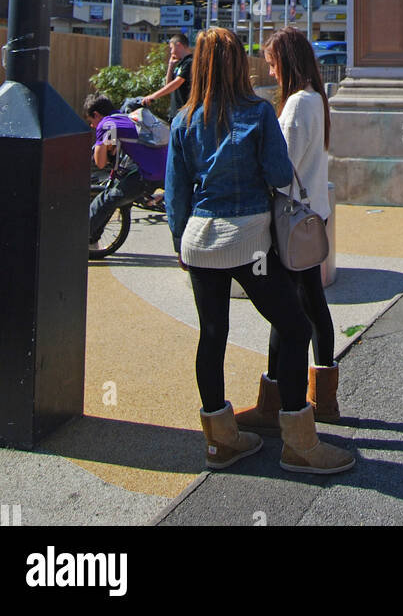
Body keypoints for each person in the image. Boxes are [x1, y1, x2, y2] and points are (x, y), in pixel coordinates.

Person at [164, 26, 353, 475]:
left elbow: (174, 195)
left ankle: (220, 441)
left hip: (199, 239)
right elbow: (277, 173)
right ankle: (299, 441)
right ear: (237, 65)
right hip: (249, 238)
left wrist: (180, 244)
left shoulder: (183, 120)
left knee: (212, 336)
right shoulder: (258, 112)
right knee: (292, 326)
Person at [254, 27, 341, 425]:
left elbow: (280, 170)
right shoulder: (318, 100)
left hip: (291, 220)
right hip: (313, 216)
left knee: (285, 310)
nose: (271, 73)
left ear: (285, 62)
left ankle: (273, 402)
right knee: (313, 305)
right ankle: (324, 399)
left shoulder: (295, 107)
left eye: (272, 64)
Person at [86, 94, 167, 244]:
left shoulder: (106, 124)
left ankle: (76, 242)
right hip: (165, 168)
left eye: (91, 121)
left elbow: (100, 163)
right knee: (122, 192)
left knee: (106, 200)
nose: (92, 126)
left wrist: (99, 143)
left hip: (150, 173)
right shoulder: (124, 118)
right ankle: (93, 236)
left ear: (96, 114)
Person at [142, 32, 194, 120]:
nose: (171, 52)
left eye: (171, 48)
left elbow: (177, 83)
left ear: (179, 45)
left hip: (185, 112)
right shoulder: (180, 64)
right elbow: (168, 85)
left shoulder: (190, 62)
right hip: (175, 112)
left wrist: (153, 96)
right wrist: (170, 66)